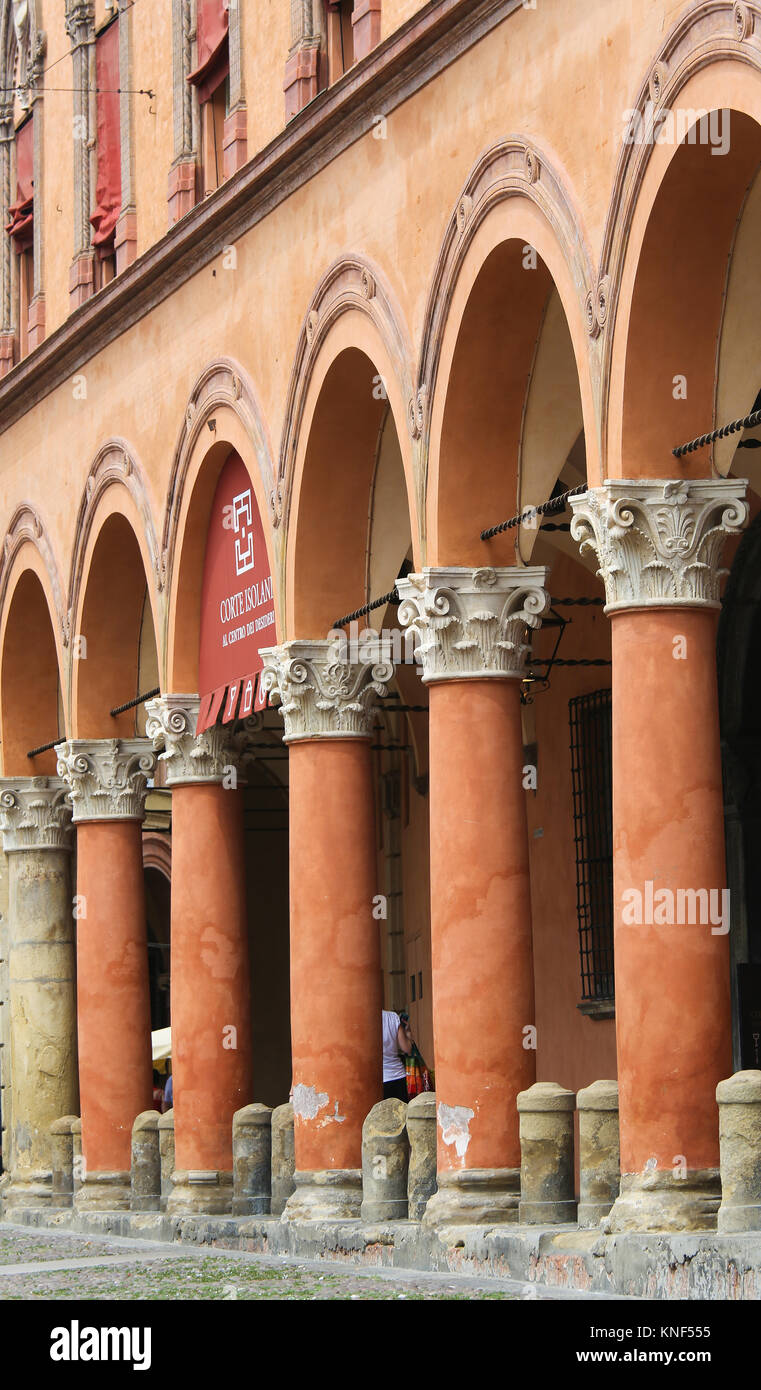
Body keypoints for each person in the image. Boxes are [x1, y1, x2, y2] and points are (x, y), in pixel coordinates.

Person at [382, 1008, 412, 1101]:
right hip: (397, 1076)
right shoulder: (393, 1017)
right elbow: (407, 1048)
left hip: (377, 1079)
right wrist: (408, 1032)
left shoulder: (361, 1017)